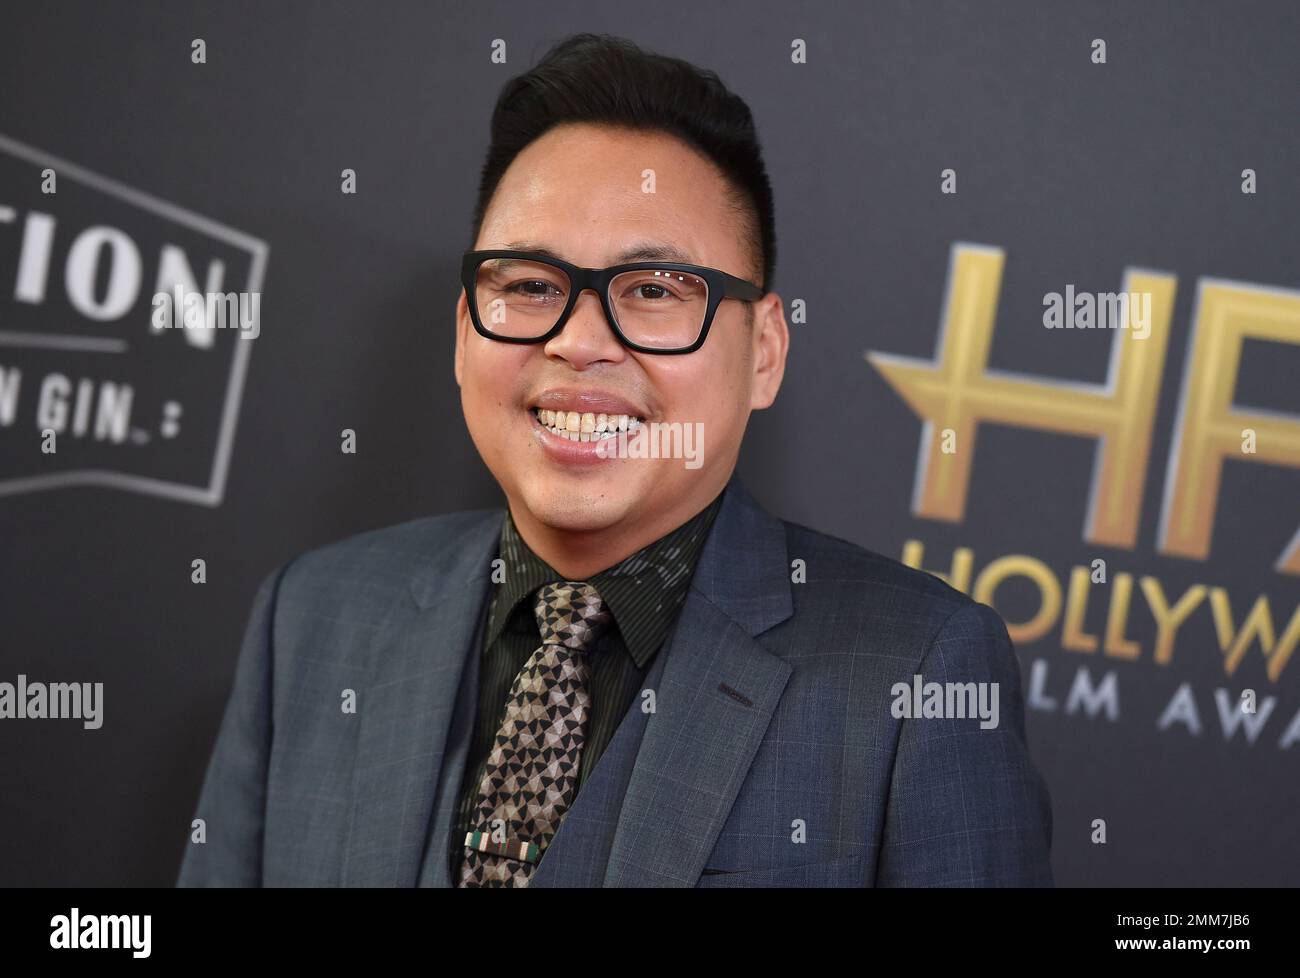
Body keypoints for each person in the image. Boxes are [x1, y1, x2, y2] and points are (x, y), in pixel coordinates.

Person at [178, 32, 1053, 888]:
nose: (578, 340)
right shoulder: (314, 620)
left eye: (653, 291)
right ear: (460, 333)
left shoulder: (915, 676)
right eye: (528, 285)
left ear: (765, 353)